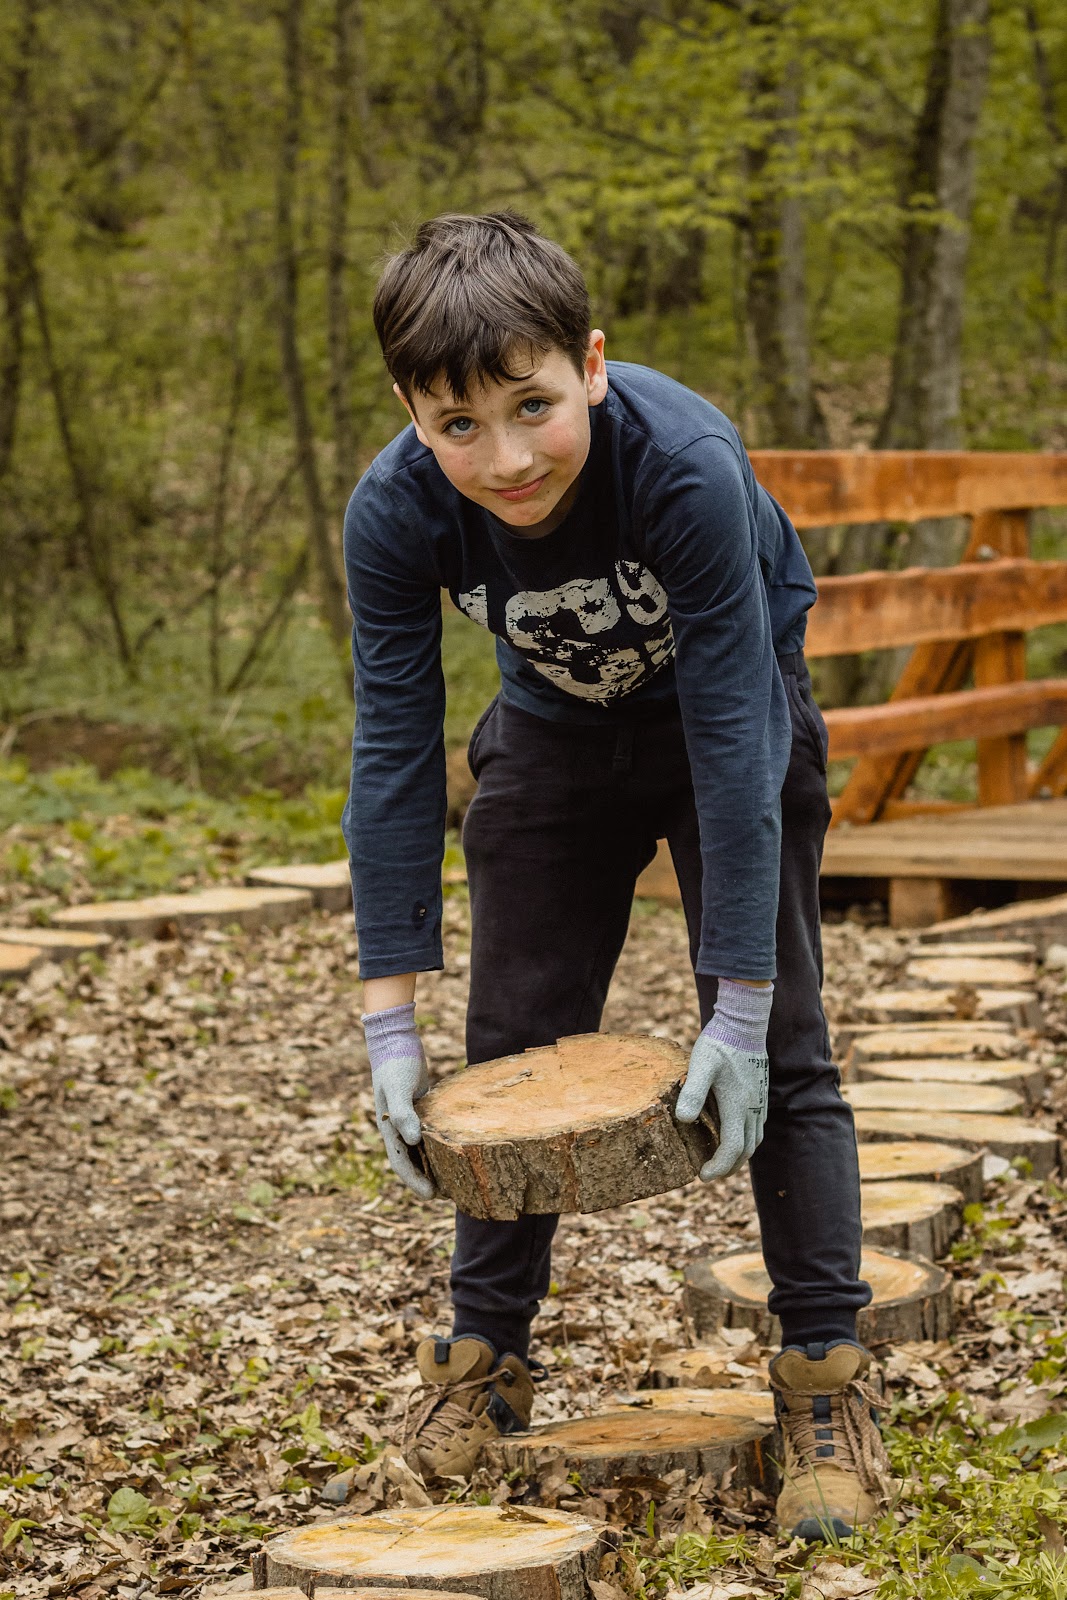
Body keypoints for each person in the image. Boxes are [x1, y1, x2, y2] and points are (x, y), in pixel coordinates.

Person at [342, 211, 892, 1539]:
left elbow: (733, 735)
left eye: (533, 406)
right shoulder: (393, 513)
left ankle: (823, 1376)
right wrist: (389, 1019)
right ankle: (483, 1361)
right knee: (508, 1049)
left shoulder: (684, 464)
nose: (506, 459)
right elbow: (394, 748)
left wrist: (740, 1010)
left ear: (591, 363)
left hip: (732, 713)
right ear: (412, 410)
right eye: (456, 425)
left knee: (789, 1045)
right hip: (552, 730)